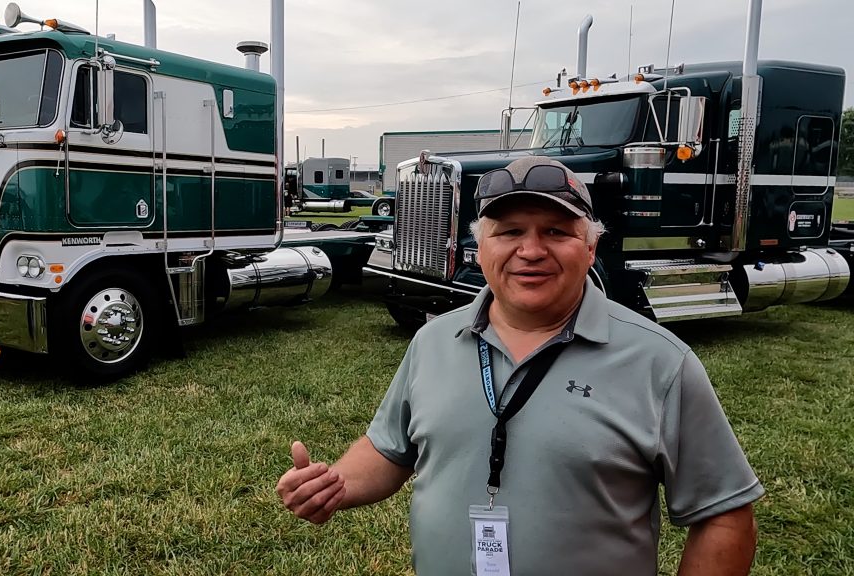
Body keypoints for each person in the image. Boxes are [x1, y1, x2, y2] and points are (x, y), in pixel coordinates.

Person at [276, 156, 763, 575]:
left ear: (590, 247)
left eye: (556, 231)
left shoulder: (660, 362)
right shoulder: (433, 342)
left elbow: (724, 514)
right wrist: (336, 485)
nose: (530, 251)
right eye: (509, 232)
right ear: (481, 248)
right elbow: (390, 448)